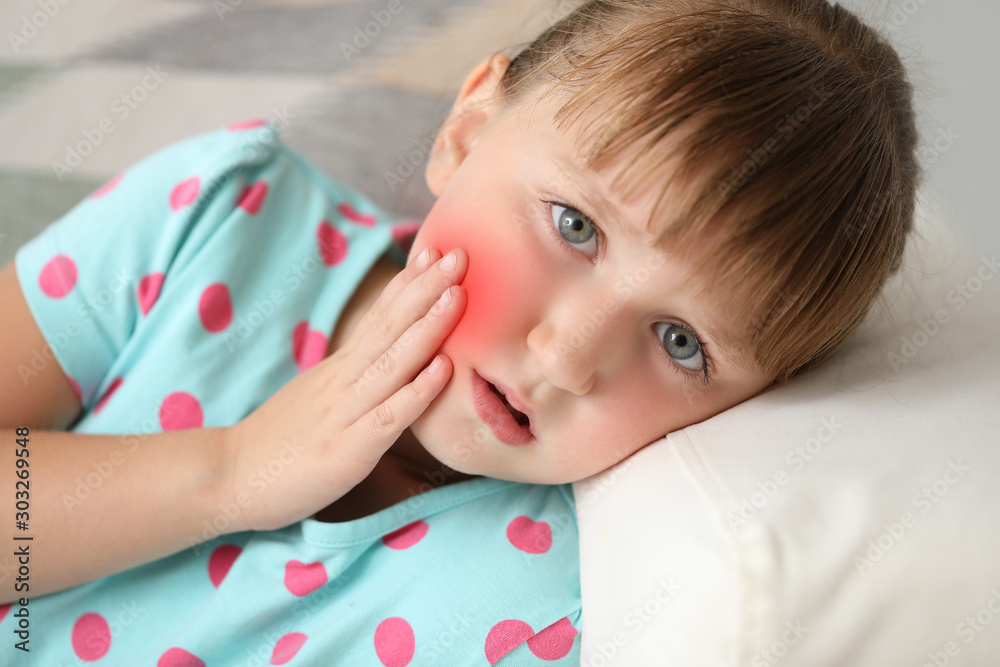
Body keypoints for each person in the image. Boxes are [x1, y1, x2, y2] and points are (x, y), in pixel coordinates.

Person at [0, 0, 918, 663]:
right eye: (574, 226)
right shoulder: (216, 219)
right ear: (468, 131)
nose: (564, 355)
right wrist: (233, 472)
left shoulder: (542, 610)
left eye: (681, 342)